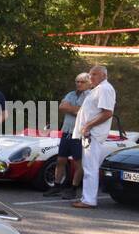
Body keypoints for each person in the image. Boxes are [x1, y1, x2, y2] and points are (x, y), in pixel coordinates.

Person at [73, 64, 116, 209]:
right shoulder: (97, 89)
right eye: (90, 74)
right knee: (88, 166)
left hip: (93, 134)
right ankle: (87, 197)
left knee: (90, 167)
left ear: (104, 75)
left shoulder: (104, 89)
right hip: (89, 133)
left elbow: (107, 113)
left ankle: (89, 200)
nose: (91, 77)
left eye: (95, 74)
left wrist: (88, 125)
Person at [47, 72, 90, 199]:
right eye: (77, 81)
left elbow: (84, 113)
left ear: (89, 83)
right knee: (61, 159)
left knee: (78, 162)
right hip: (67, 131)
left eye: (82, 82)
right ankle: (57, 186)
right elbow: (61, 107)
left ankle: (74, 188)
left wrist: (71, 108)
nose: (79, 84)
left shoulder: (90, 96)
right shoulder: (71, 94)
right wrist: (75, 109)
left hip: (79, 133)